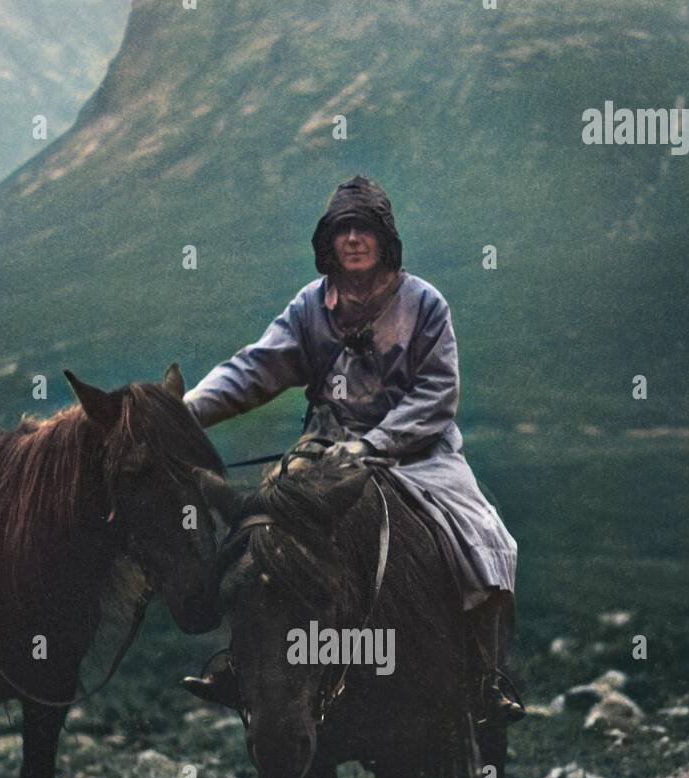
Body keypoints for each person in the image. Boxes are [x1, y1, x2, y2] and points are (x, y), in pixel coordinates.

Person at [183, 174, 523, 720]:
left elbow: (438, 393)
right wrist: (184, 412)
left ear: (385, 239)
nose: (354, 239)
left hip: (421, 456)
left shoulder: (424, 304)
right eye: (343, 230)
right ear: (328, 243)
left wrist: (376, 443)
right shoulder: (310, 307)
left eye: (365, 228)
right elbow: (255, 368)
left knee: (487, 539)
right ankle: (241, 666)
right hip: (326, 451)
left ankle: (480, 676)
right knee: (256, 537)